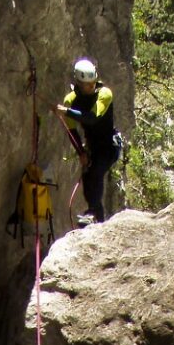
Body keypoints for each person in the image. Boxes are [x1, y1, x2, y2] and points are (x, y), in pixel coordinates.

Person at [53, 58, 119, 226]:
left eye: (92, 83)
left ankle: (92, 213)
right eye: (87, 85)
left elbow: (92, 118)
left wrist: (66, 112)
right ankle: (97, 218)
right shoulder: (71, 100)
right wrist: (81, 152)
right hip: (93, 147)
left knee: (96, 172)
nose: (91, 87)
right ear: (78, 83)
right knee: (88, 178)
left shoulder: (104, 94)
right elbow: (72, 131)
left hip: (109, 146)